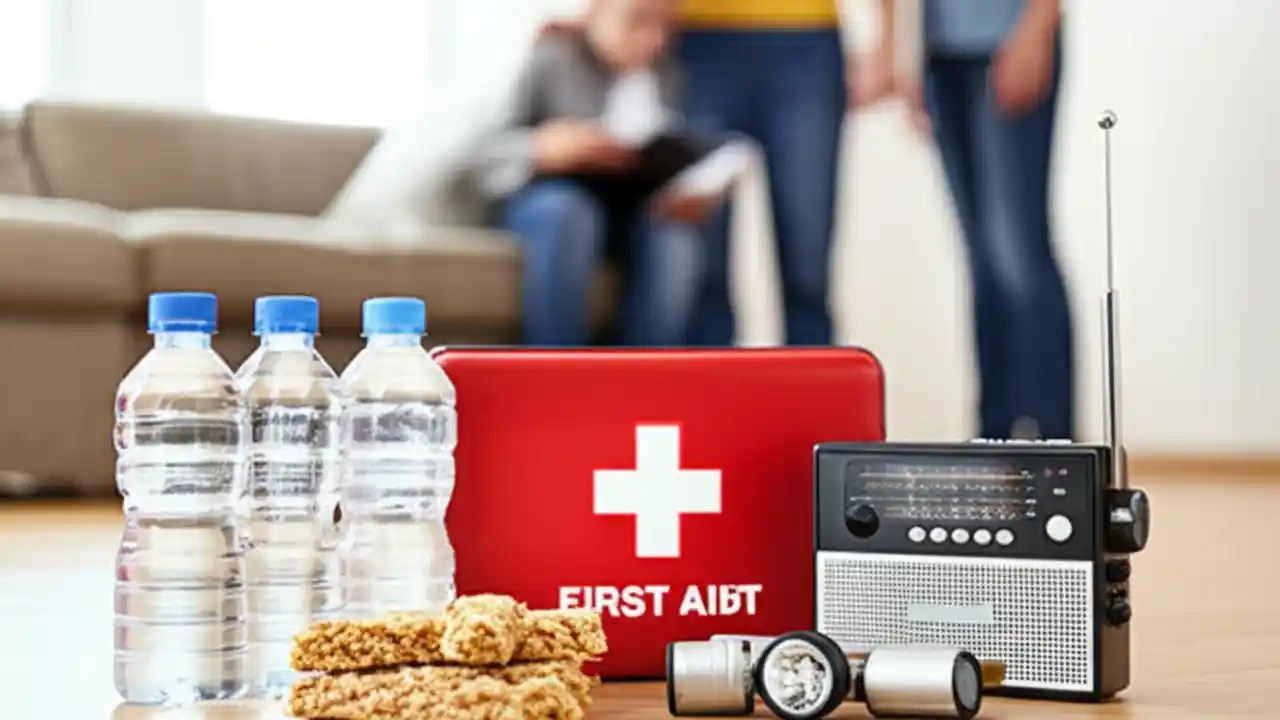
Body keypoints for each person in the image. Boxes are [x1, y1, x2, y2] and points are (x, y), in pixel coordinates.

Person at [871, 0, 1074, 439]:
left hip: (1009, 42)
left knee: (1019, 254)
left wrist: (1037, 29)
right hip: (941, 54)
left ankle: (1057, 442)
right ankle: (995, 434)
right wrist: (909, 53)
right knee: (981, 260)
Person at [470, 0, 727, 347]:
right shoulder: (553, 58)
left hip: (631, 205)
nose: (652, 38)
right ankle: (558, 370)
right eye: (637, 22)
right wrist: (541, 147)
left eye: (666, 28)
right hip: (556, 202)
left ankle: (647, 379)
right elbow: (485, 152)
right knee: (568, 212)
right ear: (595, 14)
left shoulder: (669, 76)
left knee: (672, 234)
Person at [677, 1, 877, 346]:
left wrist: (884, 41)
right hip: (697, 42)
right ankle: (710, 396)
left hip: (805, 41)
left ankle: (809, 398)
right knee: (701, 267)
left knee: (807, 266)